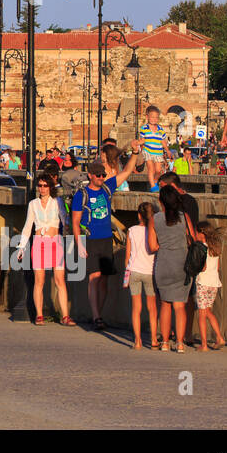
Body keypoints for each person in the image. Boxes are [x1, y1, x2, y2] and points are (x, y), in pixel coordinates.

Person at [71, 141, 141, 328]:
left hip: (105, 239)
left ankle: (99, 313)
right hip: (91, 240)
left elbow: (125, 172)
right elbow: (75, 222)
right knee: (94, 277)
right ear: (90, 176)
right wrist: (79, 244)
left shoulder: (108, 187)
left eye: (103, 175)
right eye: (98, 175)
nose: (102, 177)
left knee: (104, 280)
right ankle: (96, 316)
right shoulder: (81, 195)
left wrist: (135, 153)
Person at [16, 173, 75, 326]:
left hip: (55, 242)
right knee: (39, 280)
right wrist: (22, 247)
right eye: (40, 186)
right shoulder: (33, 204)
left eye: (45, 186)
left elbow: (65, 221)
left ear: (50, 187)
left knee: (59, 280)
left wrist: (72, 230)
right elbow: (28, 226)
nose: (42, 189)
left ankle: (65, 316)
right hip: (39, 242)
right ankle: (39, 314)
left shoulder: (57, 202)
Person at [147, 186, 199, 352]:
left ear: (161, 201)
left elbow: (153, 246)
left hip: (163, 264)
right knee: (179, 305)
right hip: (182, 265)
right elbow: (194, 240)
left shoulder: (155, 219)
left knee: (165, 304)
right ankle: (181, 343)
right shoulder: (184, 217)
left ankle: (164, 343)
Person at [125, 201, 161, 349]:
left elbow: (127, 255)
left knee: (136, 308)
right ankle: (153, 339)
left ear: (139, 215)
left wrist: (125, 275)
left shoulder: (132, 230)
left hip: (134, 270)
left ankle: (137, 341)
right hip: (149, 271)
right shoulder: (155, 230)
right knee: (152, 308)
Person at [194, 220, 227, 350]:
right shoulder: (215, 248)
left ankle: (203, 344)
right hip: (214, 282)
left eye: (197, 232)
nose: (195, 235)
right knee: (208, 311)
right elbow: (217, 266)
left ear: (202, 233)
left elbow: (203, 267)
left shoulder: (201, 247)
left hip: (203, 282)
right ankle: (219, 337)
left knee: (201, 314)